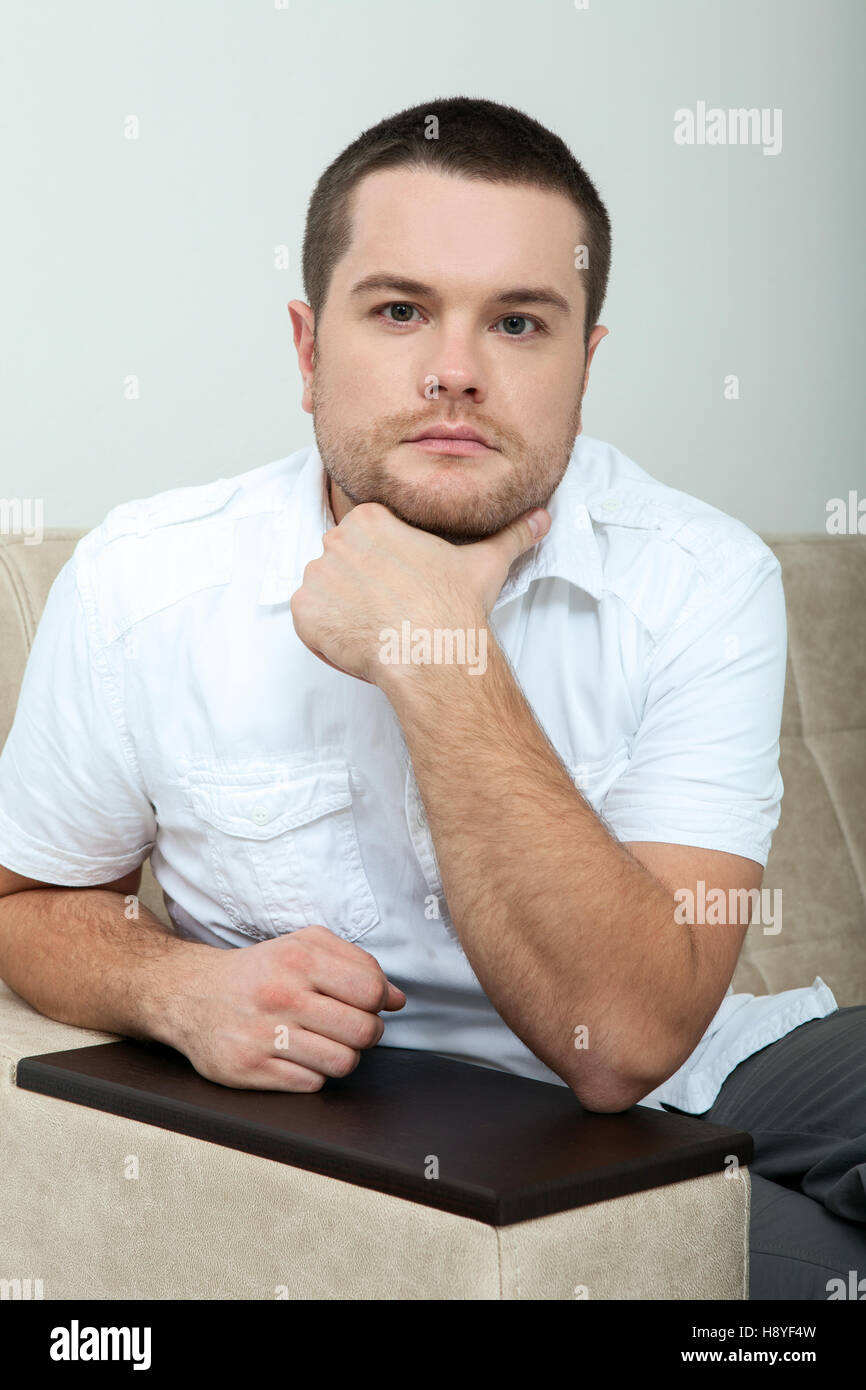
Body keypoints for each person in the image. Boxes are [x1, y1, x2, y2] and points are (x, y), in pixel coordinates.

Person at [0, 96, 862, 1298]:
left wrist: (433, 643)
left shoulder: (705, 577)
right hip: (379, 1120)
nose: (454, 372)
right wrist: (176, 986)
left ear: (584, 363)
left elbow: (628, 1032)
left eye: (518, 321)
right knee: (801, 1284)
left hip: (712, 1062)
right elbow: (29, 897)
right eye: (399, 311)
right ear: (307, 351)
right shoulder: (143, 582)